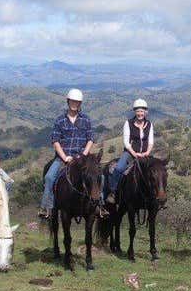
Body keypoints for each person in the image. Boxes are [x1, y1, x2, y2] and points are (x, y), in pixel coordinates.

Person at [38, 89, 95, 219]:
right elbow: (55, 141)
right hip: (63, 157)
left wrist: (83, 155)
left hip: (82, 157)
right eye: (72, 101)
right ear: (68, 101)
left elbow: (90, 139)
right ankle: (46, 207)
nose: (75, 103)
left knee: (98, 176)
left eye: (77, 102)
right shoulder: (60, 120)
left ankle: (99, 204)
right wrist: (64, 157)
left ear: (80, 103)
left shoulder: (86, 119)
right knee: (49, 177)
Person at [106, 98, 154, 204]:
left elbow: (151, 141)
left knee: (157, 170)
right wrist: (134, 154)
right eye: (138, 111)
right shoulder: (128, 123)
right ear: (135, 112)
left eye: (142, 111)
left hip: (145, 154)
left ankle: (155, 195)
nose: (140, 113)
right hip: (130, 153)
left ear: (145, 112)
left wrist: (147, 152)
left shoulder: (149, 124)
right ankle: (112, 192)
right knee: (119, 168)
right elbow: (126, 143)